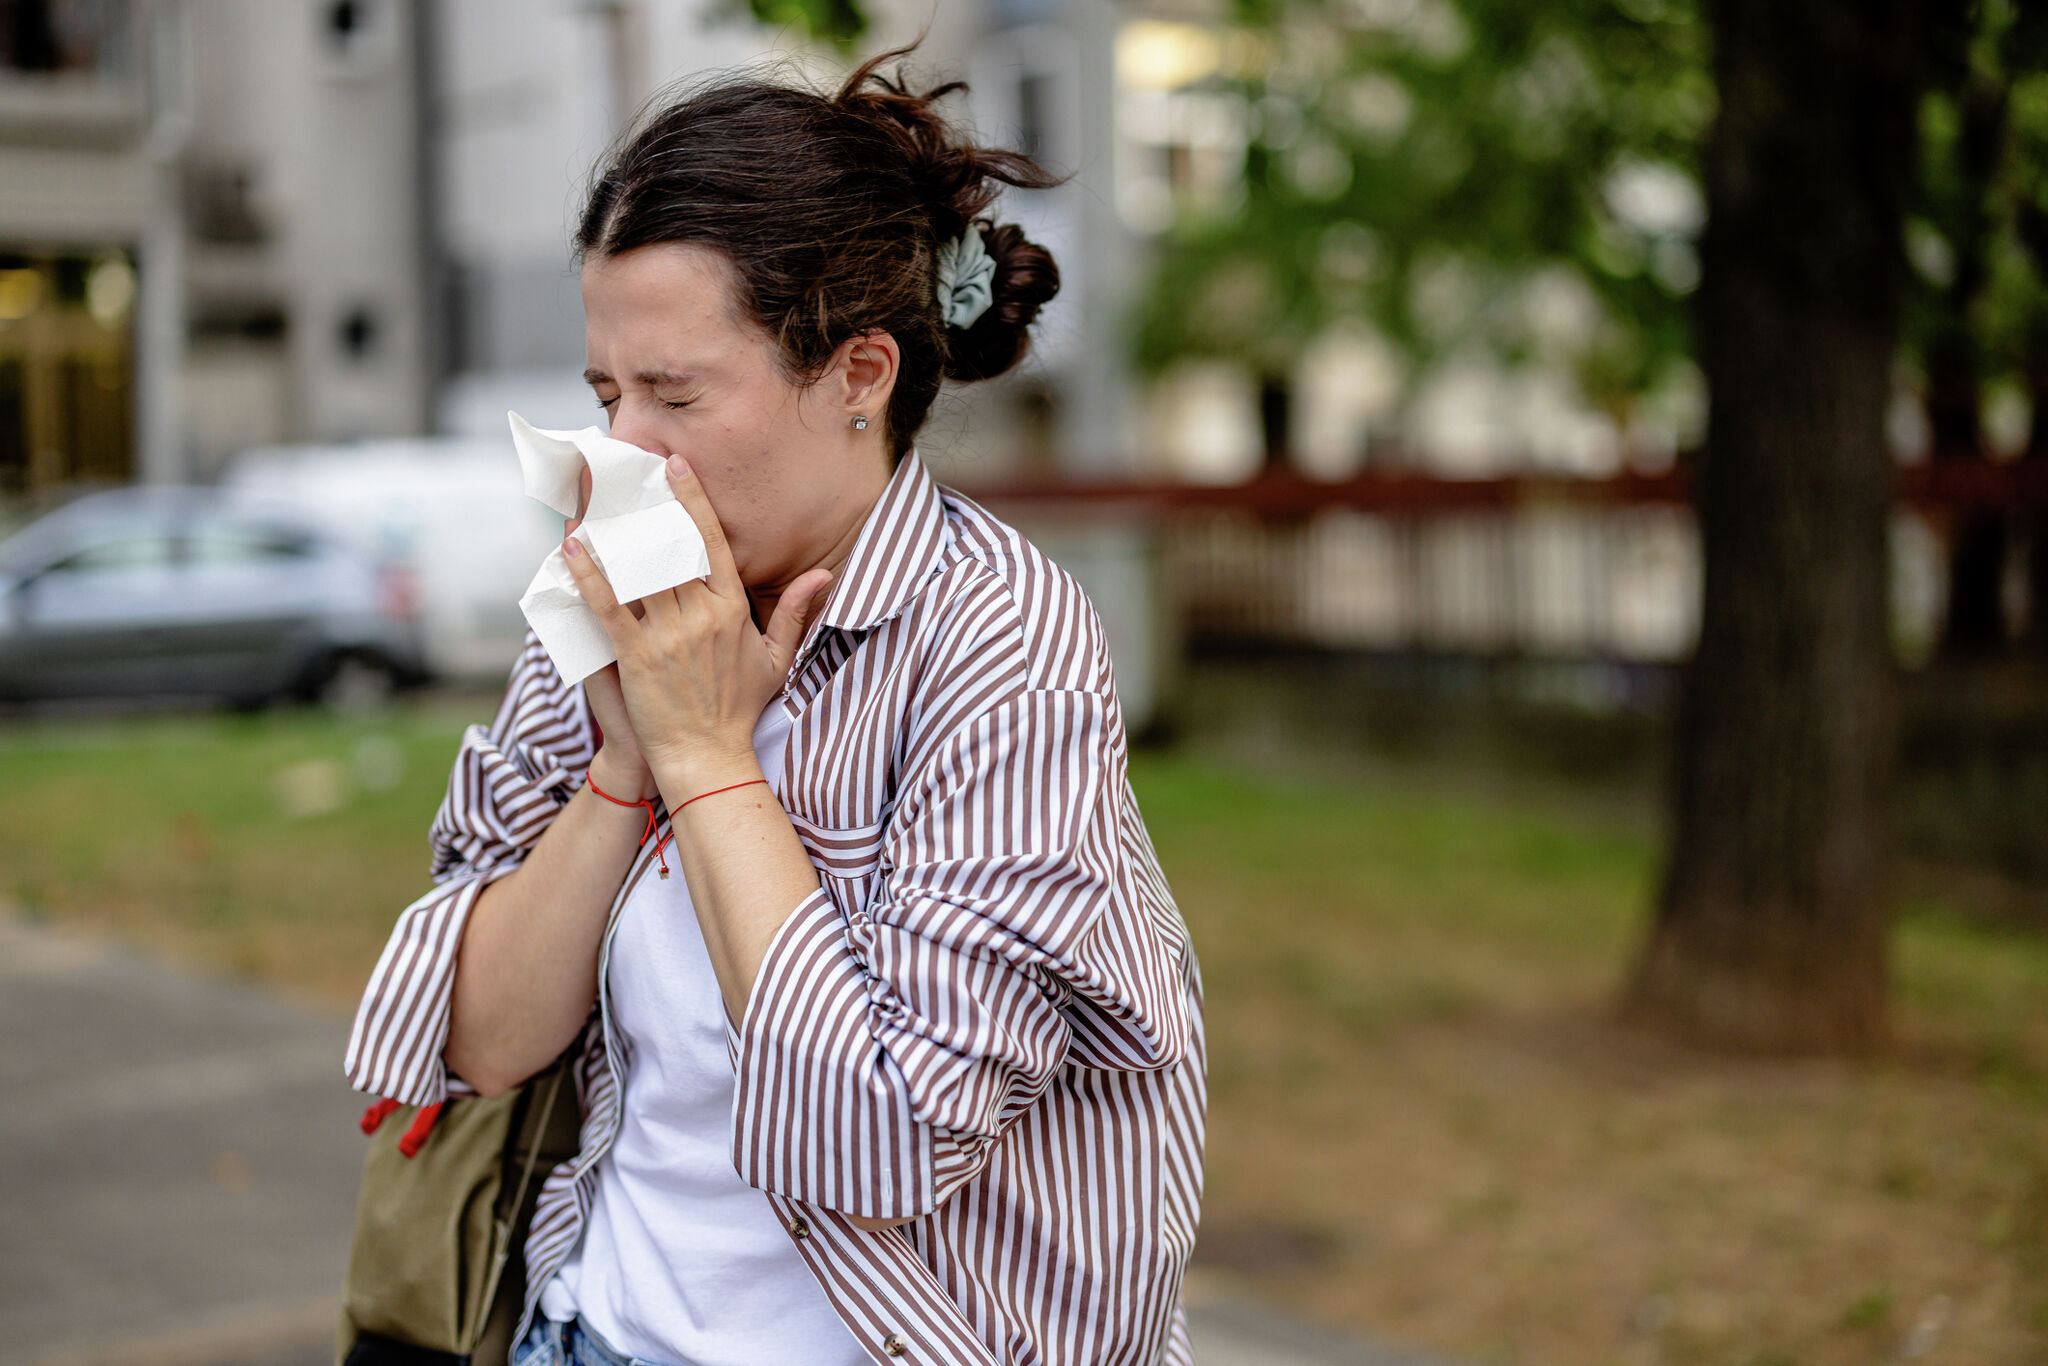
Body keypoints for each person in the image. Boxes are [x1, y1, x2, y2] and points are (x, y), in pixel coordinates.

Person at [345, 41, 1205, 1366]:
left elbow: (887, 1139)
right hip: (587, 1329)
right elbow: (477, 1041)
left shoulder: (1000, 648)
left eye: (677, 394)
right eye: (606, 395)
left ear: (858, 375)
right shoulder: (613, 600)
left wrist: (706, 756)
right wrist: (622, 768)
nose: (622, 451)